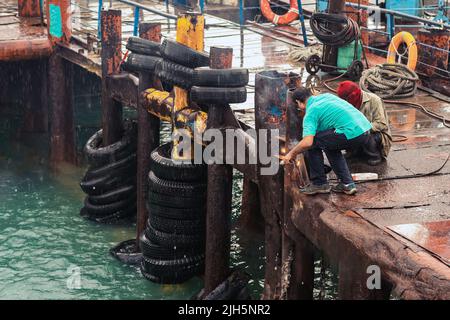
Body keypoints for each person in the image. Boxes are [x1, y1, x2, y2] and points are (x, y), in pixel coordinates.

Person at [281, 88, 372, 195]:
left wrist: (291, 154)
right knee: (329, 144)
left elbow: (307, 142)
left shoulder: (311, 112)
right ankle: (347, 184)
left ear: (299, 103)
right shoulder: (327, 96)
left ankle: (319, 183)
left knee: (313, 142)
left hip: (352, 133)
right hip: (366, 129)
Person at [337, 81, 392, 165]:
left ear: (353, 96)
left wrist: (361, 128)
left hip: (377, 133)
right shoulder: (347, 104)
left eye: (345, 100)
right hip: (359, 131)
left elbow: (382, 124)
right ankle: (354, 151)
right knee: (341, 132)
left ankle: (375, 155)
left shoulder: (374, 100)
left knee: (364, 133)